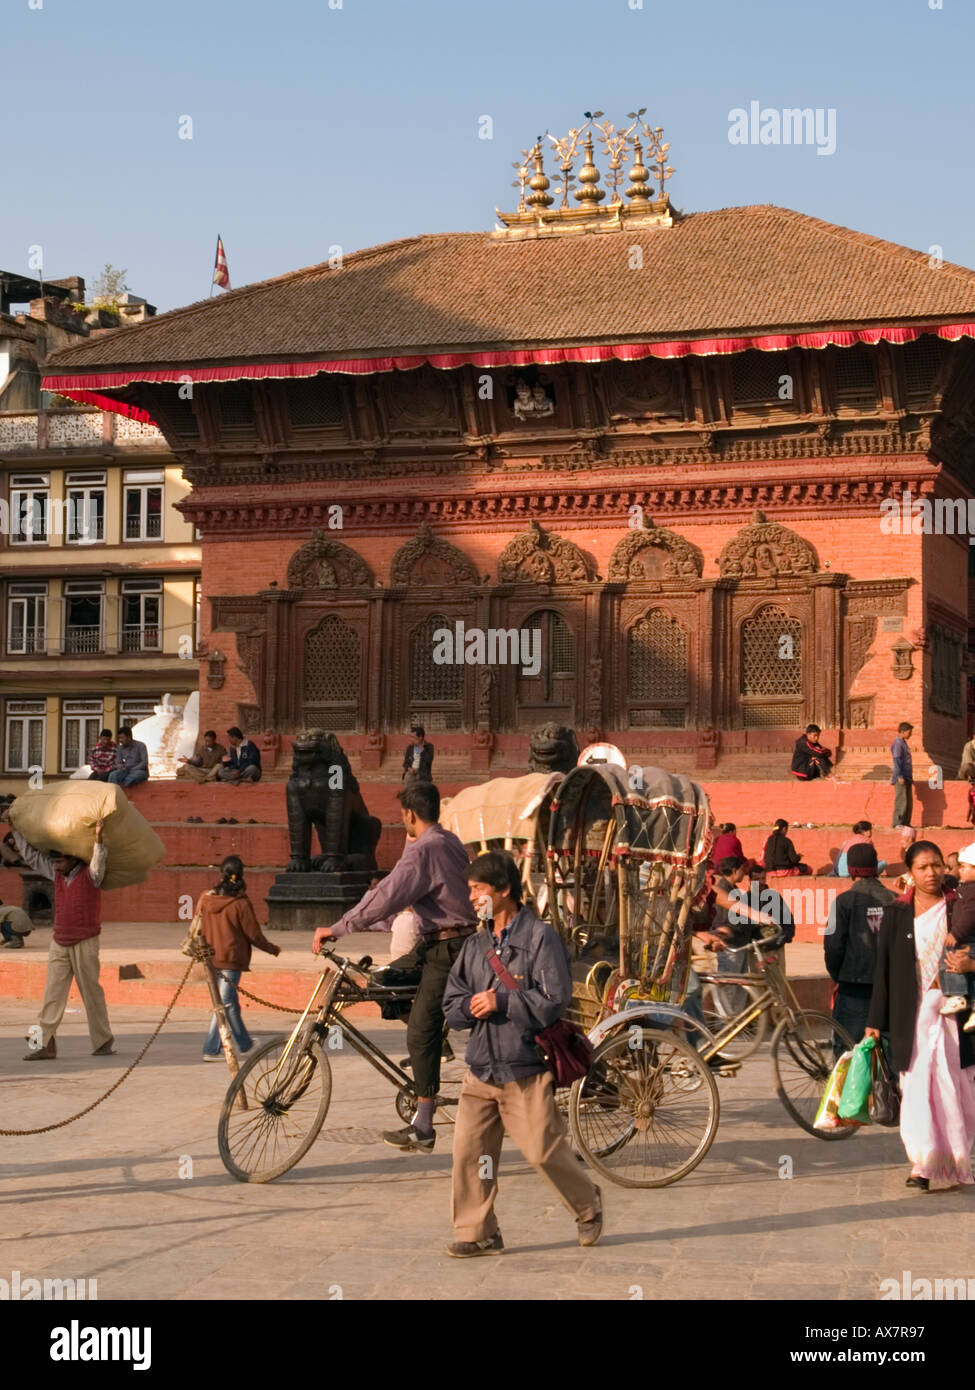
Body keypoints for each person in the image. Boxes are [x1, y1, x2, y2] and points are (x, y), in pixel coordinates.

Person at [441, 850, 602, 1256]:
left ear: (504, 890)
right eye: (471, 890)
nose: (473, 897)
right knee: (470, 1153)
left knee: (542, 1151)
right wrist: (467, 1006)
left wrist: (501, 1002)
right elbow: (452, 1000)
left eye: (479, 889)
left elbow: (554, 999)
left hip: (524, 1065)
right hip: (480, 1069)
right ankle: (477, 1230)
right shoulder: (476, 944)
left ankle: (587, 1205)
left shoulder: (540, 938)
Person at [312, 780, 476, 1153]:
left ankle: (423, 1125)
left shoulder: (425, 850)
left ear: (409, 815)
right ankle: (432, 1037)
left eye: (402, 814)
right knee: (384, 982)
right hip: (441, 942)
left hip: (448, 948)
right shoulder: (448, 841)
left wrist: (339, 927)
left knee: (419, 1033)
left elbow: (386, 896)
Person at [865, 840, 975, 1191]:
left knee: (954, 1090)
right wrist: (873, 1022)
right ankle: (923, 1164)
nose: (931, 873)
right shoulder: (897, 912)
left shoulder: (963, 905)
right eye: (923, 867)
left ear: (946, 867)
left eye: (936, 865)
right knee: (915, 1089)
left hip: (955, 1015)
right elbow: (882, 971)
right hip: (910, 1018)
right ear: (910, 874)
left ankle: (957, 1161)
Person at [1, 807, 114, 1061]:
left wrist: (98, 838)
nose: (56, 864)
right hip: (59, 940)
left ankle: (103, 1040)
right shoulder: (56, 874)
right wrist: (15, 829)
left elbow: (99, 859)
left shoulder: (91, 876)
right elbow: (31, 856)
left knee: (91, 993)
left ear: (74, 859)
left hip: (86, 940)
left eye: (61, 860)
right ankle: (45, 1043)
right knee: (52, 993)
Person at [196, 855, 280, 1060]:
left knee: (230, 1004)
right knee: (223, 1004)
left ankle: (244, 1044)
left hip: (211, 957)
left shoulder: (206, 899)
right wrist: (271, 949)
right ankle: (211, 1047)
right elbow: (253, 934)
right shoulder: (240, 904)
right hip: (231, 959)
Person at [824, 843, 895, 1049]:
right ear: (876, 867)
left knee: (847, 1048)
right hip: (890, 985)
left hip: (853, 985)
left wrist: (838, 975)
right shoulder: (897, 900)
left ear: (851, 870)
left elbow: (832, 946)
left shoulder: (842, 902)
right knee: (889, 1050)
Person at [938, 843, 975, 1029]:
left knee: (950, 956)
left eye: (964, 866)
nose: (960, 870)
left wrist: (956, 933)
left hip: (966, 939)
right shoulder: (964, 889)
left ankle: (957, 993)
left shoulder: (971, 891)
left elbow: (970, 914)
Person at [891, 722, 914, 828]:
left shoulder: (903, 743)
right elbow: (897, 760)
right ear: (903, 731)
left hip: (907, 776)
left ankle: (905, 822)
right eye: (909, 732)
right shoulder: (898, 744)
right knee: (901, 800)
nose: (910, 734)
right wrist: (899, 775)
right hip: (901, 776)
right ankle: (897, 822)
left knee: (908, 802)